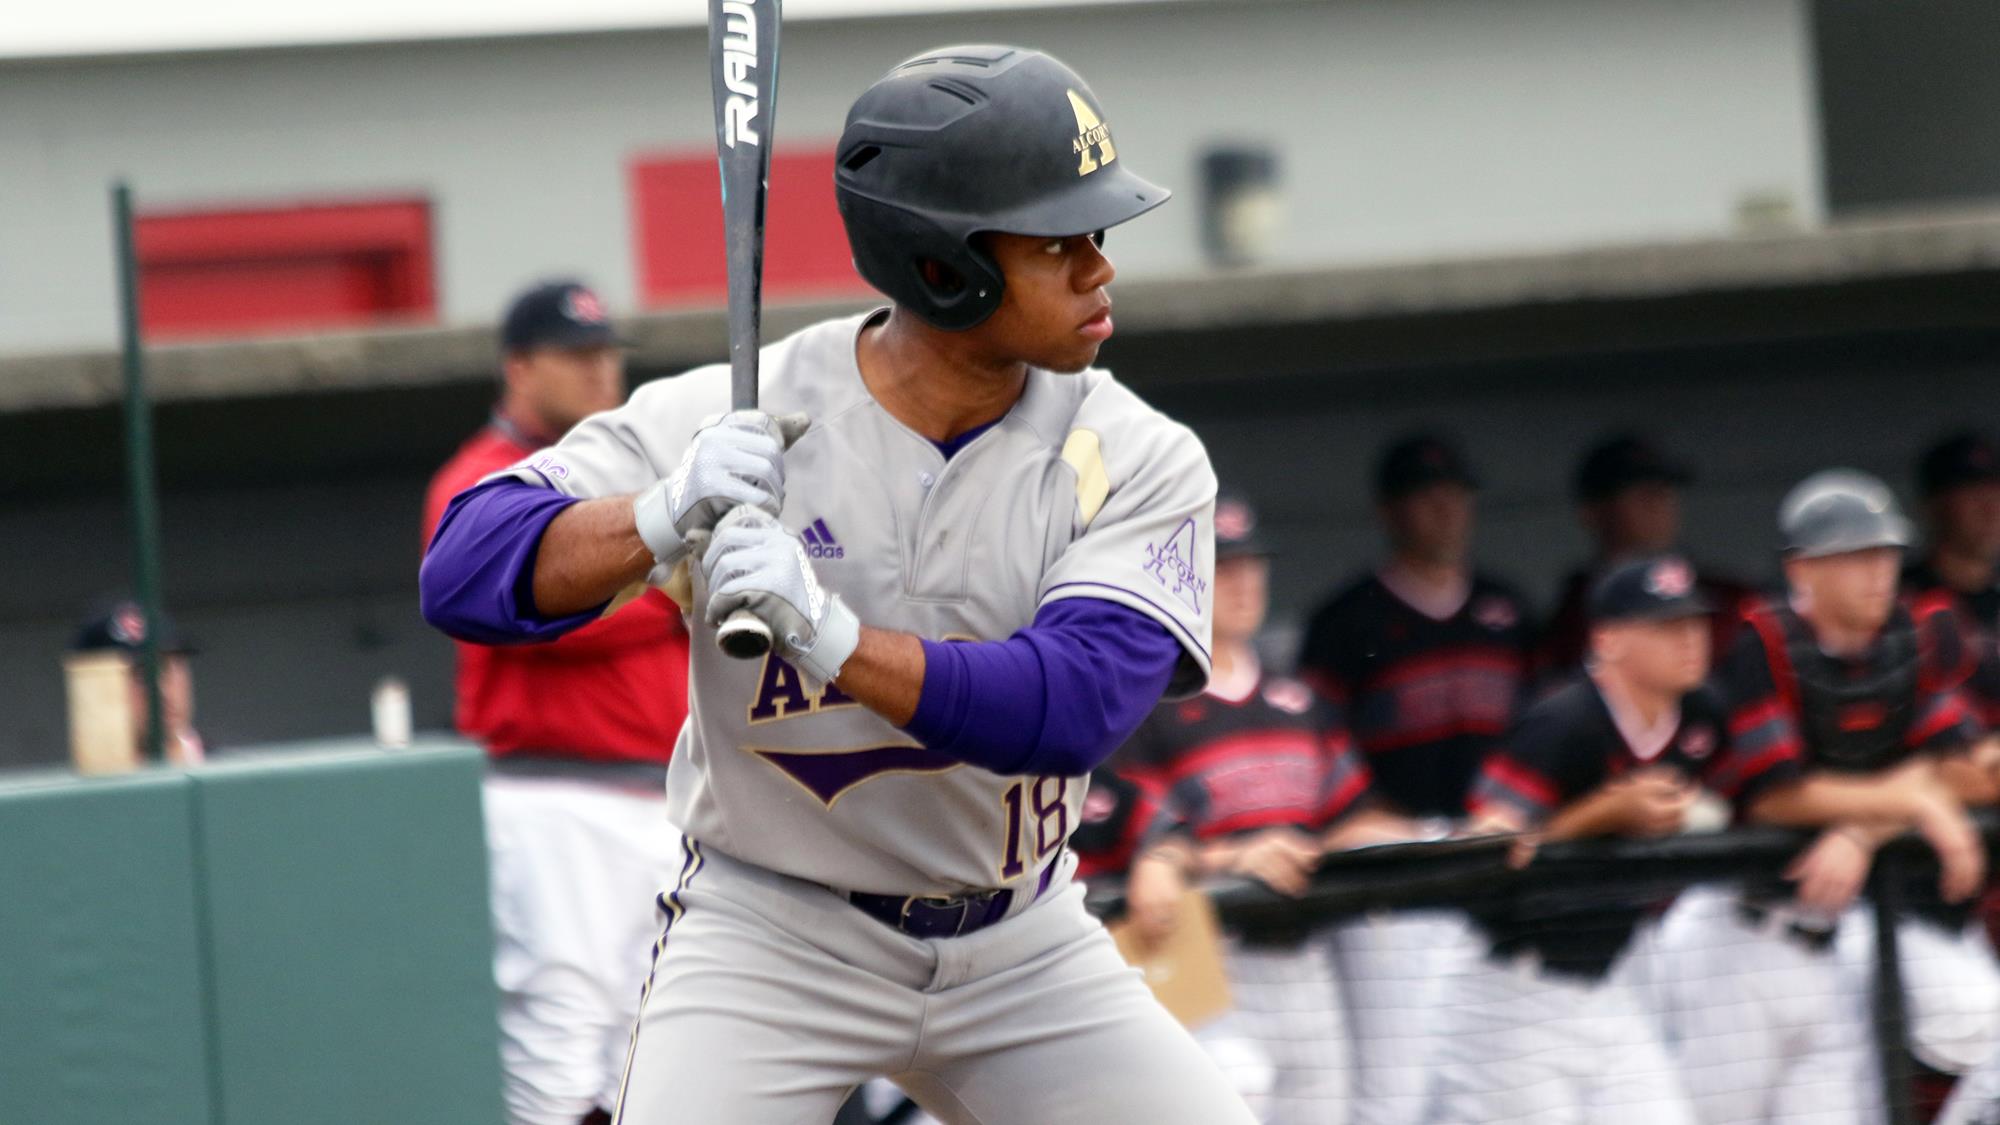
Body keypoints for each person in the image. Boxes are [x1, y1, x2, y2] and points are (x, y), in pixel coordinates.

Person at [421, 44, 1255, 1125]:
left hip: (1022, 945)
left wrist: (822, 633)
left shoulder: (1132, 451)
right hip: (773, 937)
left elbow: (1070, 708)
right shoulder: (742, 407)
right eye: (1060, 240)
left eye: (1095, 235)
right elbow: (463, 568)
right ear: (942, 264)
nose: (1099, 268)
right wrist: (660, 516)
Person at [422, 279, 693, 1125]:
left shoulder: (630, 473)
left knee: (646, 1045)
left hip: (660, 797)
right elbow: (539, 614)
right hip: (550, 799)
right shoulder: (479, 481)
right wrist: (671, 579)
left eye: (606, 352)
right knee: (560, 1033)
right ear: (518, 365)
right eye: (576, 355)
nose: (599, 371)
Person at [1645, 470, 1992, 1124]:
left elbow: (1968, 770)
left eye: (1886, 553)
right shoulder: (1763, 640)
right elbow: (1778, 798)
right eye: (1858, 556)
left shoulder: (1910, 635)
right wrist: (1914, 800)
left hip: (1841, 932)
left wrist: (1862, 828)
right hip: (1739, 928)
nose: (1879, 572)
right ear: (1804, 570)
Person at [1438, 555, 1787, 1124]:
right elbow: (1484, 848)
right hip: (1513, 991)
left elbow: (1765, 799)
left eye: (1695, 623)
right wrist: (1601, 813)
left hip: (1608, 984)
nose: (1690, 641)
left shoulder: (1702, 713)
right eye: (1666, 627)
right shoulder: (1564, 720)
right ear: (1609, 639)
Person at [1118, 492, 1415, 1125]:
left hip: (1306, 956)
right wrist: (1236, 857)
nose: (1243, 584)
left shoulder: (1297, 698)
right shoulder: (1146, 705)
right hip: (1208, 957)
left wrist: (1428, 835)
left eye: (1251, 565)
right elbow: (1133, 844)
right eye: (1221, 567)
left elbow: (1351, 811)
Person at [1295, 433, 1535, 1125]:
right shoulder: (1347, 621)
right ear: (1389, 511)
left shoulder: (1507, 608)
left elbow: (1540, 736)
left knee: (1484, 1083)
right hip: (1389, 881)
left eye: (1456, 495)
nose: (1446, 510)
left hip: (1497, 868)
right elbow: (1315, 750)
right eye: (1427, 496)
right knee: (1395, 1092)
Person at [1537, 433, 1753, 680]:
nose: (1658, 504)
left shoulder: (1727, 597)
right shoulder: (1574, 612)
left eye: (1665, 491)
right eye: (1640, 493)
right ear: (1592, 512)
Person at [70, 598, 205, 765]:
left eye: (168, 669)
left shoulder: (223, 772)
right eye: (140, 675)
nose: (161, 690)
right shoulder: (73, 788)